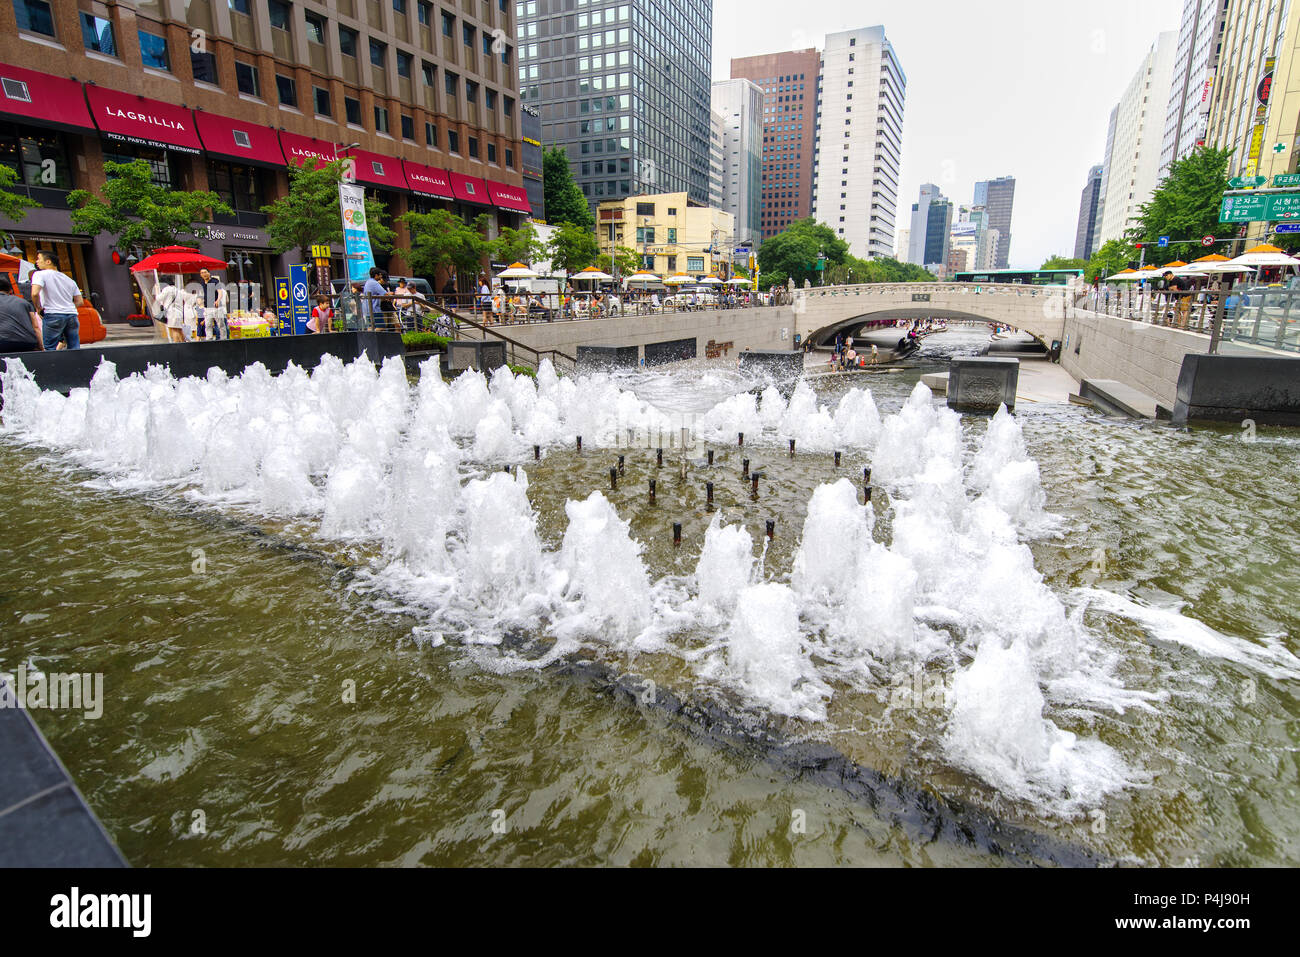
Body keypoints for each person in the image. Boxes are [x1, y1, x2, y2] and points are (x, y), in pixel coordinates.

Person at [30, 250, 84, 351]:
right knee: (74, 346)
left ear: (48, 262)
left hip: (52, 314)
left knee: (50, 348)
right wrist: (67, 306)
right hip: (72, 315)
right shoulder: (69, 280)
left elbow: (35, 293)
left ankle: (53, 366)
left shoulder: (39, 274)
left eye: (39, 259)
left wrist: (38, 308)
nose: (37, 262)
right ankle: (76, 365)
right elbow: (80, 301)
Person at [0, 275, 43, 352]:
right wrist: (41, 347)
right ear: (10, 291)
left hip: (2, 342)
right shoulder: (24, 302)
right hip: (27, 343)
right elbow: (35, 327)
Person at [199, 267, 228, 340]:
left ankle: (223, 339)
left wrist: (218, 300)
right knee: (208, 325)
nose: (204, 274)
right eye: (202, 273)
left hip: (216, 307)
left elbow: (220, 292)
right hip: (207, 307)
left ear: (209, 273)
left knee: (221, 325)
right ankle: (209, 339)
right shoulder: (202, 283)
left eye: (205, 272)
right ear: (200, 275)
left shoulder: (215, 281)